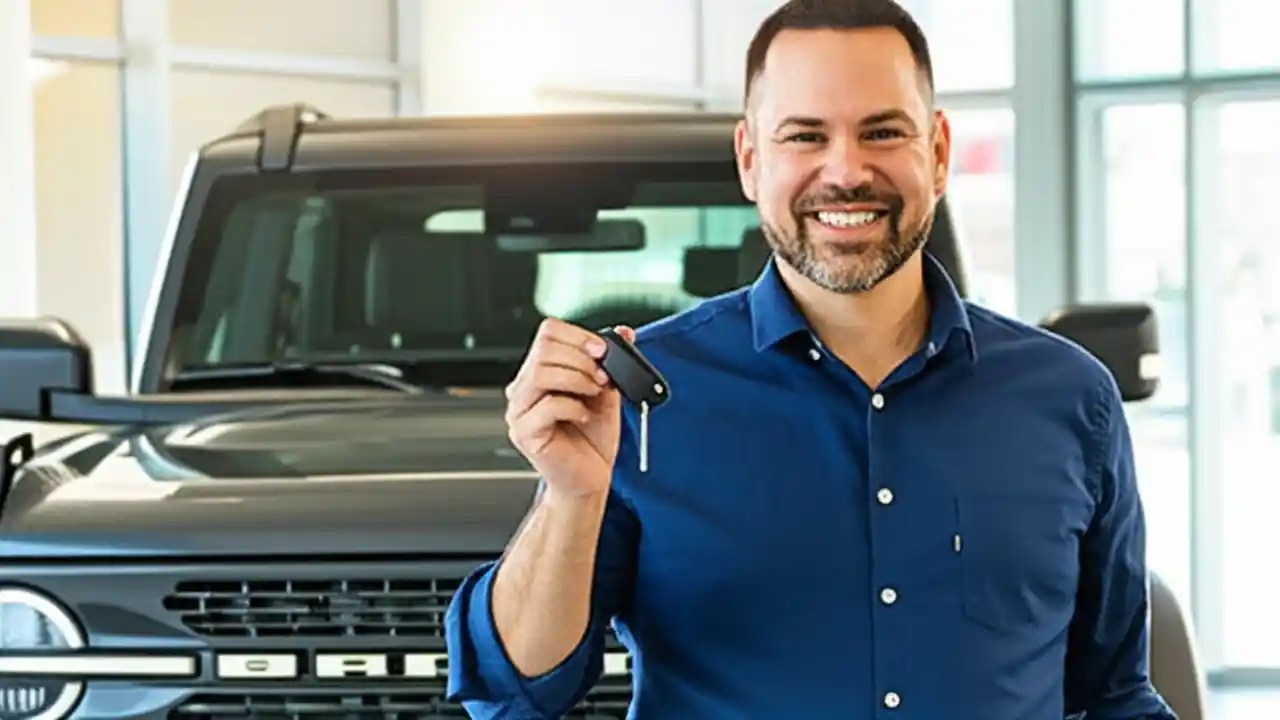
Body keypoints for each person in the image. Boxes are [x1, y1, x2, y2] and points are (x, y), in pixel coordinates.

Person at [444, 0, 1179, 718]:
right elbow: (517, 695)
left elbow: (1114, 695)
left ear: (940, 151)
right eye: (804, 136)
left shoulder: (1069, 397)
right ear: (750, 159)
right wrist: (570, 499)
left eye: (883, 131)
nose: (846, 171)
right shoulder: (641, 400)